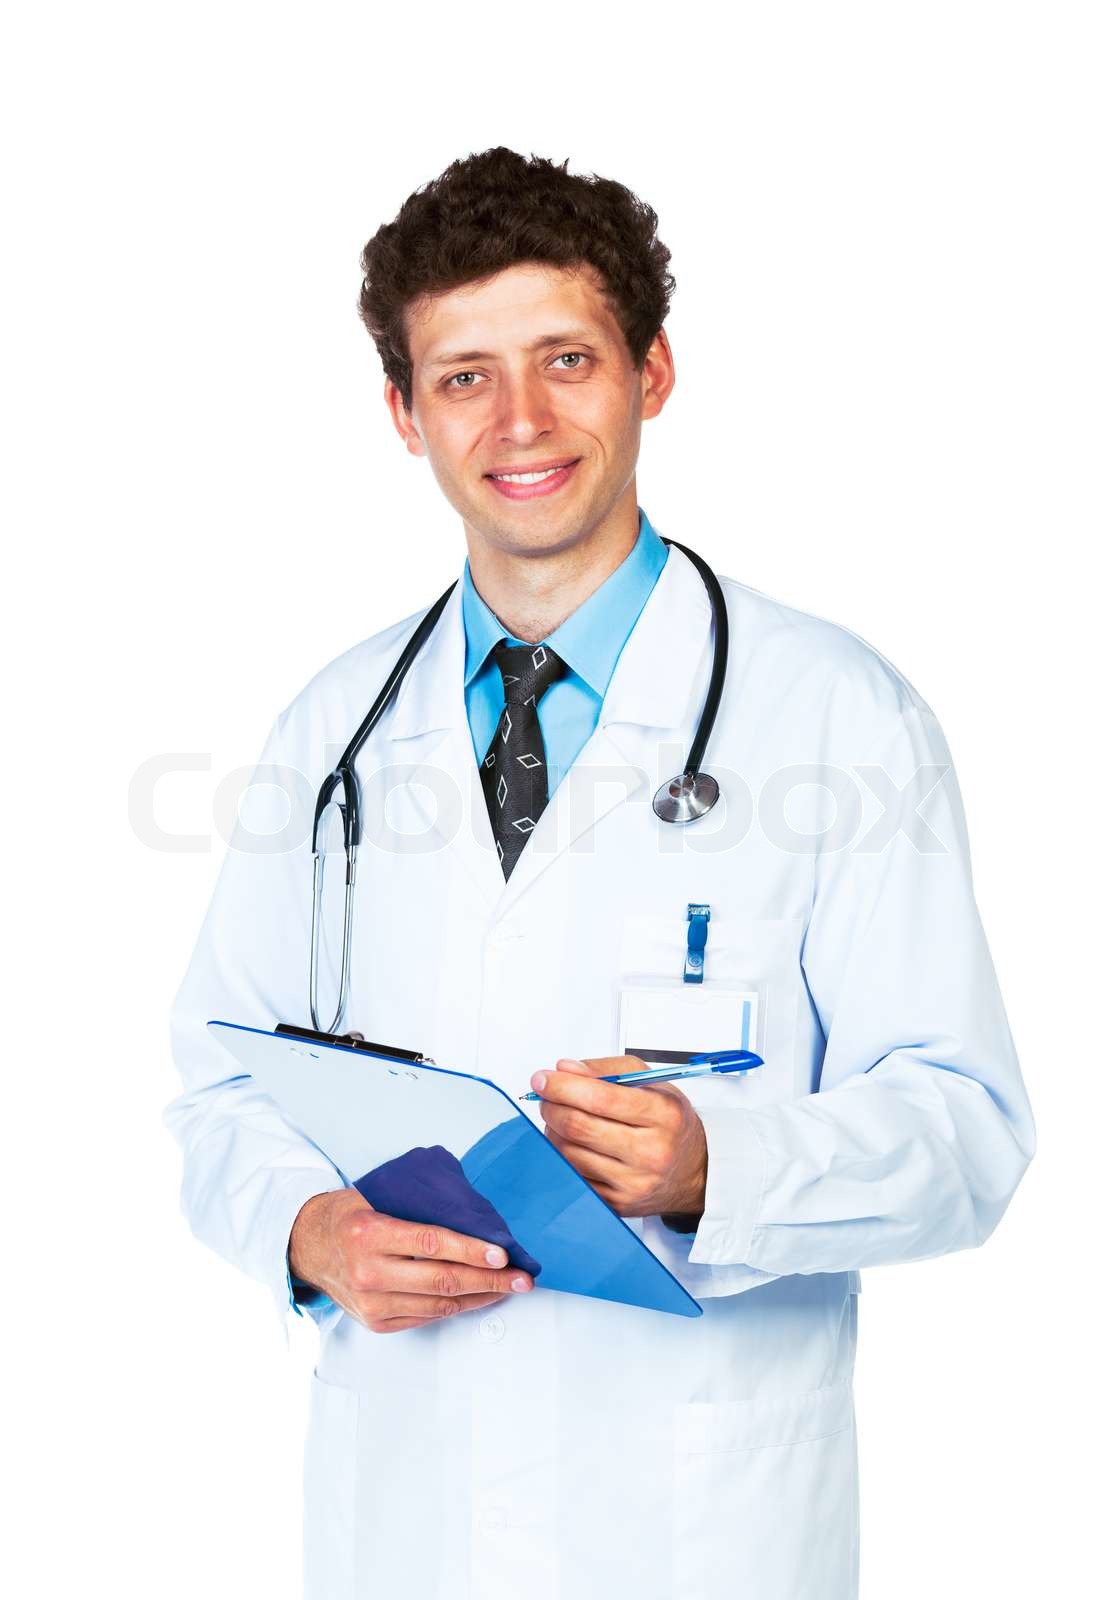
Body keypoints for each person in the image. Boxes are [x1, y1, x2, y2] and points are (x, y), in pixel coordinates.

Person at [164, 146, 1036, 1600]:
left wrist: (722, 1166)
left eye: (566, 358)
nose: (519, 421)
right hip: (406, 1514)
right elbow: (222, 1085)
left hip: (702, 1528)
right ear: (402, 414)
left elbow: (965, 1126)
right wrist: (309, 1234)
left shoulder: (831, 713)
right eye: (462, 377)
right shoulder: (332, 731)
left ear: (652, 371)